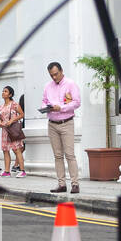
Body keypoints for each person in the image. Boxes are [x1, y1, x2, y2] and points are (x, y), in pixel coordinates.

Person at [41, 61, 82, 193]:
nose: (54, 77)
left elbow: (77, 102)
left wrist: (62, 108)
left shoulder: (70, 84)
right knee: (57, 156)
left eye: (56, 74)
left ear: (61, 71)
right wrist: (44, 108)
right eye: (51, 75)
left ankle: (75, 184)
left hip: (66, 123)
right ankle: (61, 184)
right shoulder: (48, 86)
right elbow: (44, 101)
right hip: (52, 124)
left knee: (70, 155)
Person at [0, 85, 25, 176]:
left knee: (17, 150)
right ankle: (6, 171)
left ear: (10, 94)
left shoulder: (14, 104)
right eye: (3, 91)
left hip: (13, 130)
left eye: (5, 91)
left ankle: (22, 171)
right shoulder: (1, 107)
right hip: (5, 131)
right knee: (5, 150)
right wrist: (0, 123)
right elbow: (0, 118)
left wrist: (12, 120)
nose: (3, 92)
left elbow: (22, 114)